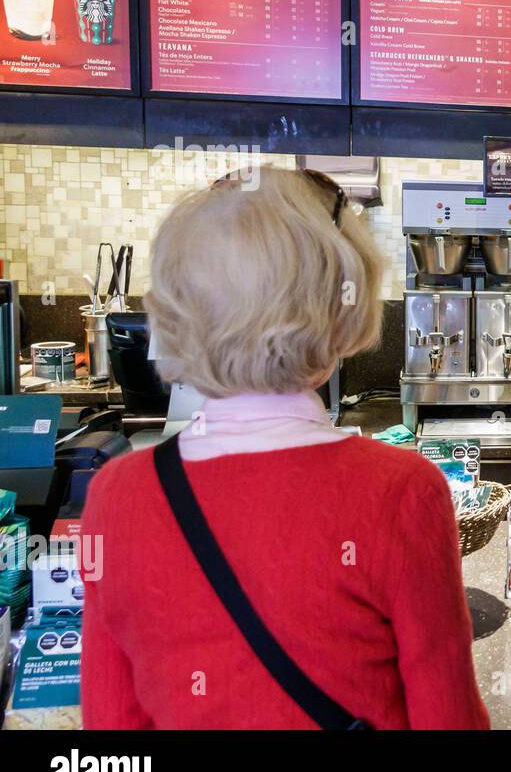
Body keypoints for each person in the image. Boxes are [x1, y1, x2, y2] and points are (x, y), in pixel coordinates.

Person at [81, 166, 489, 730]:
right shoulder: (401, 490)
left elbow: (114, 726)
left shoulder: (115, 495)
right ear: (343, 309)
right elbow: (448, 719)